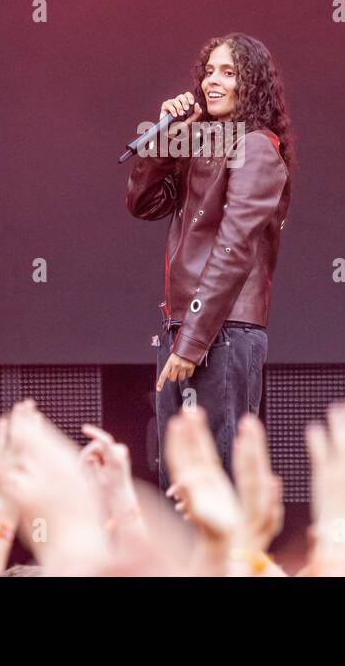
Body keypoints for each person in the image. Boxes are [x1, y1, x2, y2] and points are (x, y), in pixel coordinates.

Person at [125, 33, 295, 490]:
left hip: (223, 334)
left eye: (228, 72)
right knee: (179, 483)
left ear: (252, 84)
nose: (211, 81)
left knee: (216, 486)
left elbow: (233, 248)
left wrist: (191, 343)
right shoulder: (201, 144)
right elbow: (142, 203)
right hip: (186, 329)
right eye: (208, 71)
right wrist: (168, 134)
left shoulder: (257, 147)